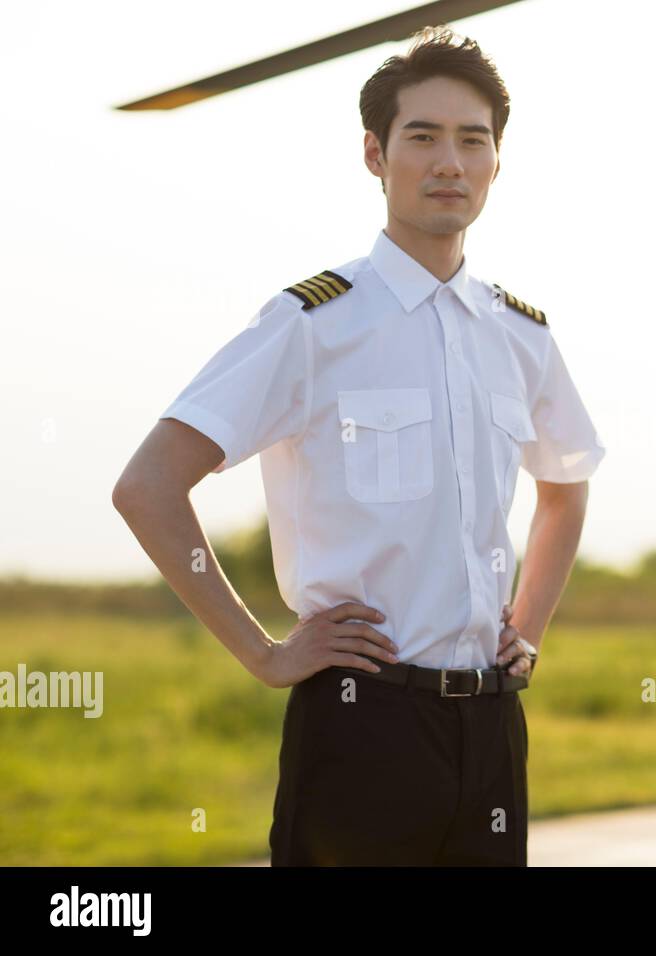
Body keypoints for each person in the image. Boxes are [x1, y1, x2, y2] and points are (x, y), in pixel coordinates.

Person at [112, 27, 605, 866]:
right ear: (375, 154)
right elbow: (149, 485)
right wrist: (264, 653)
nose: (449, 161)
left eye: (472, 140)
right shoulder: (315, 323)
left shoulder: (521, 335)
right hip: (360, 722)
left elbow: (565, 484)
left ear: (496, 163)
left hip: (491, 725)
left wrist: (530, 624)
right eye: (422, 136)